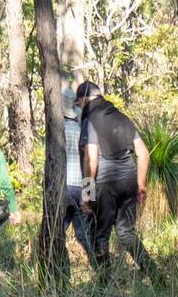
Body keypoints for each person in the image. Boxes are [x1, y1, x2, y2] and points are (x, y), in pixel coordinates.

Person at [77, 81, 156, 280]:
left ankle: (105, 284)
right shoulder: (122, 117)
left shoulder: (91, 119)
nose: (79, 109)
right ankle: (156, 277)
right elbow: (144, 153)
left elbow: (90, 159)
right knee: (126, 232)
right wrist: (141, 185)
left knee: (100, 235)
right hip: (129, 180)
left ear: (84, 100)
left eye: (79, 104)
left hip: (105, 184)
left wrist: (87, 194)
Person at [62, 86, 94, 262]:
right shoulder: (85, 130)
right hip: (82, 188)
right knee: (85, 234)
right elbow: (91, 162)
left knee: (57, 233)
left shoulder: (57, 132)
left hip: (63, 188)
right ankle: (101, 270)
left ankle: (60, 274)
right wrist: (90, 194)